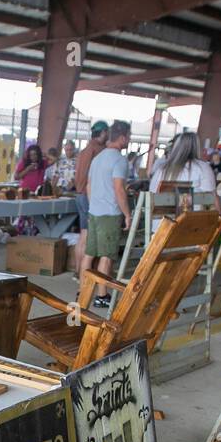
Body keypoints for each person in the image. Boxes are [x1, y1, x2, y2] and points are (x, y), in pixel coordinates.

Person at [83, 119, 133, 307]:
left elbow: (89, 185)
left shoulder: (98, 158)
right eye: (128, 137)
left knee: (90, 254)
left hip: (94, 212)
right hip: (109, 214)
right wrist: (127, 214)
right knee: (106, 256)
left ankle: (84, 291)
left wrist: (93, 205)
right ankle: (102, 297)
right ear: (122, 138)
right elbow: (119, 188)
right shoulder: (119, 160)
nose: (129, 140)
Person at [149, 131, 221, 215]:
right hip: (190, 225)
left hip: (160, 226)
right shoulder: (203, 168)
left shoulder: (161, 169)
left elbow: (151, 199)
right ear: (197, 147)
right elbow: (215, 203)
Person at [73, 120, 109, 275]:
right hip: (90, 196)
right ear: (102, 133)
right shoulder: (98, 150)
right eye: (107, 133)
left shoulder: (85, 149)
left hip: (80, 195)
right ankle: (84, 274)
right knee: (89, 238)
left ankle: (76, 271)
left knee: (83, 235)